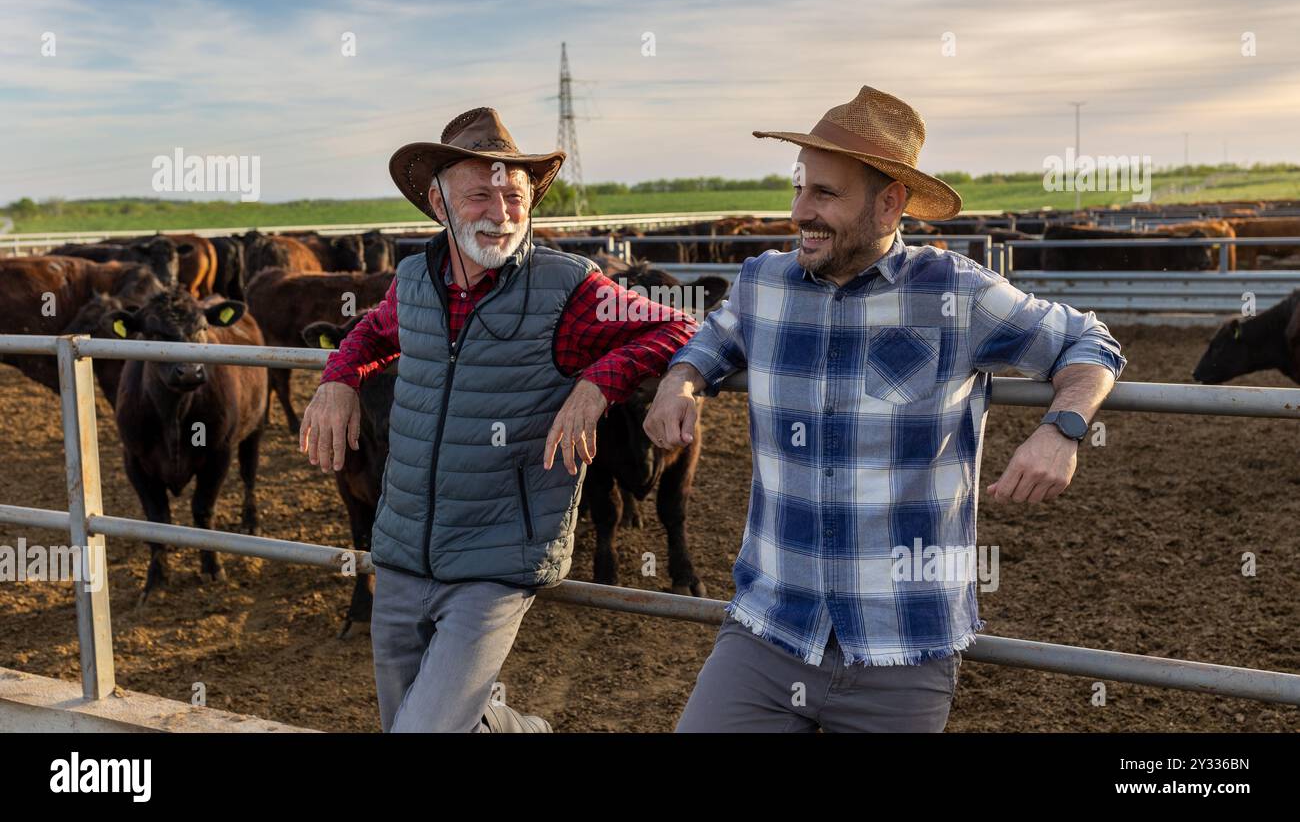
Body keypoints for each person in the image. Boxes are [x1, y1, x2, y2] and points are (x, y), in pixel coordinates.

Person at [644, 86, 1128, 732]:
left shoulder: (956, 291)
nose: (799, 211)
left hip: (901, 646)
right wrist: (680, 378)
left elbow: (1090, 340)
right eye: (799, 187)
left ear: (890, 202)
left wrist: (1062, 428)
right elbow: (712, 335)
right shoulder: (765, 282)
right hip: (768, 631)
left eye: (824, 194)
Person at [300, 107, 695, 732]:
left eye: (514, 194)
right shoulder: (414, 281)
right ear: (438, 201)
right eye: (479, 193)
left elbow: (679, 327)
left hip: (496, 557)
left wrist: (599, 383)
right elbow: (371, 332)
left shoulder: (570, 288)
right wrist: (339, 377)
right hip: (401, 545)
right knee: (405, 719)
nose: (501, 211)